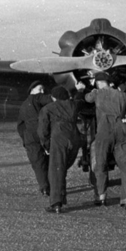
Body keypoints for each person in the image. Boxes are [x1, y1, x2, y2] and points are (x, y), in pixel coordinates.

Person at [85, 72, 126, 210]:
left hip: (104, 131)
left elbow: (87, 99)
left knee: (101, 163)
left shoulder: (97, 93)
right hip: (122, 130)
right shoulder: (123, 95)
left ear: (97, 83)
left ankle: (101, 196)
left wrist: (87, 90)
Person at [37, 86, 83, 214]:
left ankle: (56, 203)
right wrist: (79, 91)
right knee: (63, 168)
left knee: (56, 171)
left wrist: (46, 145)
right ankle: (61, 196)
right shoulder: (73, 105)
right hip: (74, 139)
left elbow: (42, 131)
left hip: (59, 140)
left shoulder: (47, 108)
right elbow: (80, 101)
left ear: (53, 97)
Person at [17, 80, 53, 197]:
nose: (42, 92)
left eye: (43, 90)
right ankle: (51, 185)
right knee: (49, 161)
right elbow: (52, 99)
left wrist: (25, 139)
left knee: (37, 163)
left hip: (30, 137)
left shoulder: (23, 105)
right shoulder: (37, 98)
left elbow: (20, 125)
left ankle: (44, 187)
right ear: (32, 91)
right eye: (40, 89)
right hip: (43, 133)